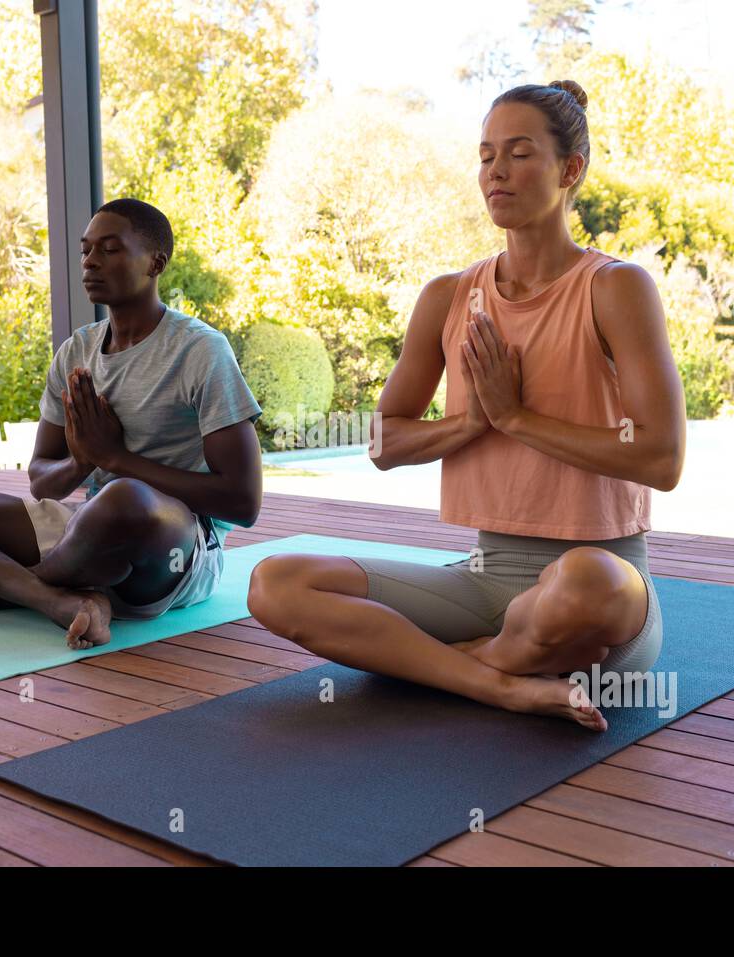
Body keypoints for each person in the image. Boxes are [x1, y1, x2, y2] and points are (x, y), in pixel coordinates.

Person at [246, 81, 686, 731]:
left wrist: (517, 419)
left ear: (571, 169)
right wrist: (472, 422)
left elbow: (662, 457)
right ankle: (497, 681)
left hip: (599, 590)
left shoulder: (616, 287)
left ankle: (459, 664)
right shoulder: (448, 296)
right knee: (275, 582)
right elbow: (383, 443)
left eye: (519, 153)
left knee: (588, 581)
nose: (496, 172)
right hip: (483, 578)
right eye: (485, 156)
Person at [0, 198, 263, 650]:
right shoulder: (76, 351)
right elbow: (42, 481)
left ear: (155, 262)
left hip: (176, 547)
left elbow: (243, 503)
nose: (90, 261)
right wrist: (81, 462)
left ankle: (7, 589)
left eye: (109, 249)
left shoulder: (200, 351)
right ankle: (55, 598)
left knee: (123, 496)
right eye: (86, 250)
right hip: (88, 530)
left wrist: (117, 460)